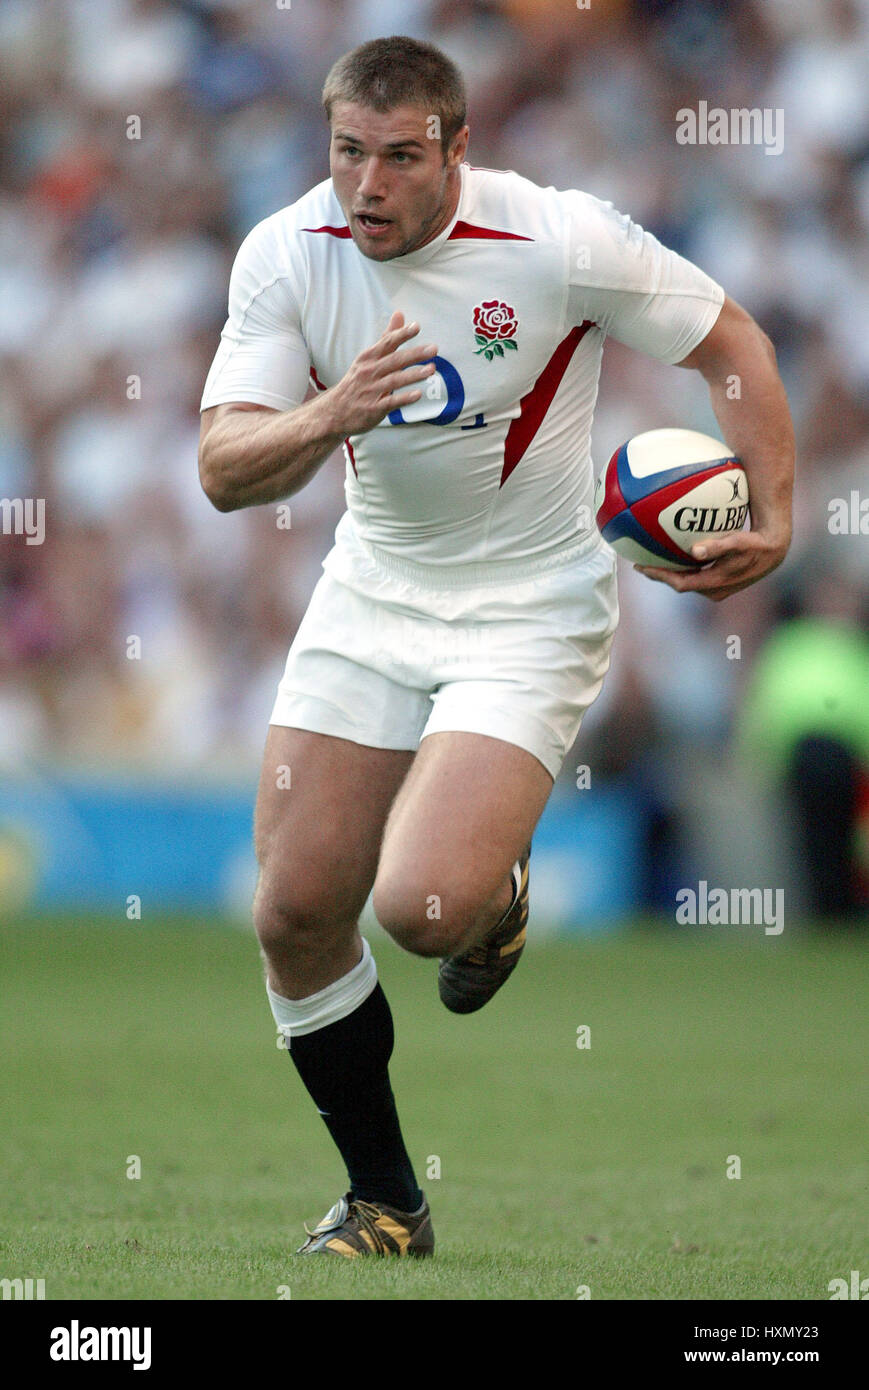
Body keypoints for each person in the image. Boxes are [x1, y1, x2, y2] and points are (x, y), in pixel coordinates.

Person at [198, 35, 794, 1258]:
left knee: (419, 907)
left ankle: (487, 892)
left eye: (400, 158)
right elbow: (220, 468)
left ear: (457, 151)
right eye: (347, 152)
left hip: (529, 604)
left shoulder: (555, 238)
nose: (367, 185)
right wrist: (329, 410)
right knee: (295, 908)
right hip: (372, 587)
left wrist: (777, 506)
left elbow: (729, 338)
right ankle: (385, 1203)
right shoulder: (284, 253)